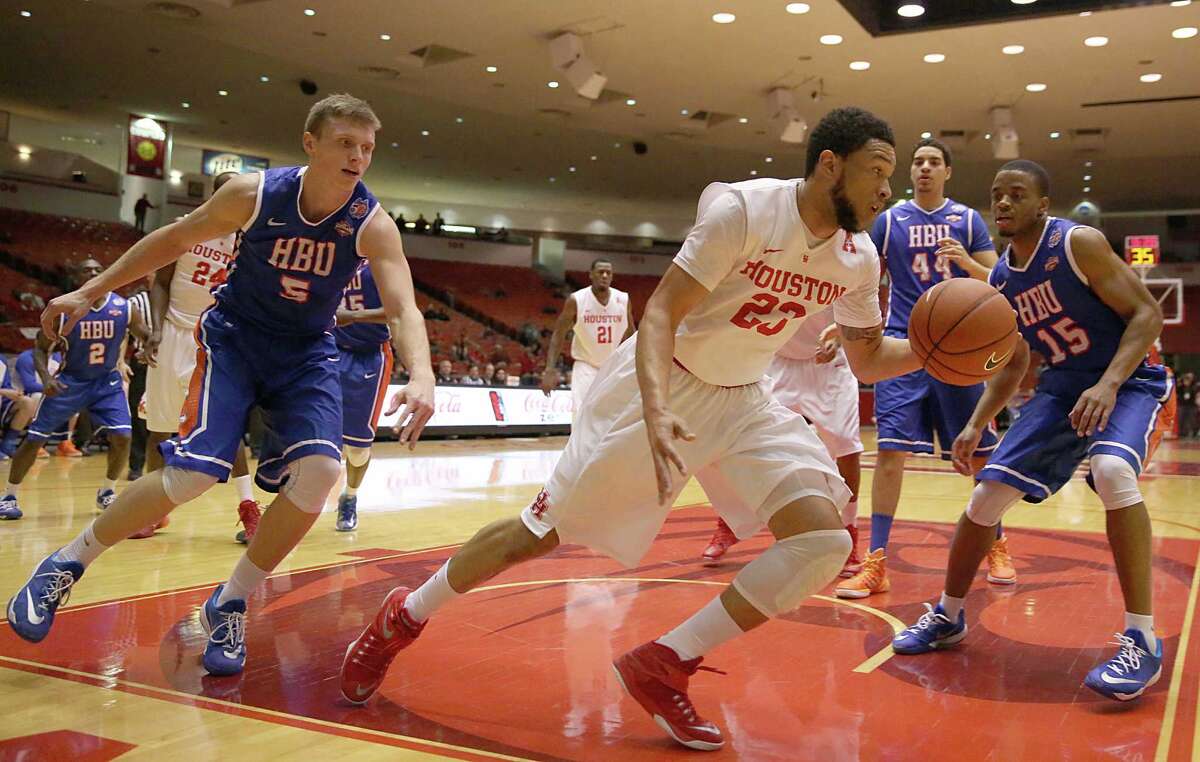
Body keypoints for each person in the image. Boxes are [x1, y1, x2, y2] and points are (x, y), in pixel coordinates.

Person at [339, 107, 917, 750]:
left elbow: (867, 358)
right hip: (662, 382)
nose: (885, 190)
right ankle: (404, 615)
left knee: (821, 540)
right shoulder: (746, 212)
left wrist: (945, 353)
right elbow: (663, 309)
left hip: (746, 399)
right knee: (538, 533)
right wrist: (655, 404)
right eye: (876, 172)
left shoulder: (858, 257)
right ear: (830, 165)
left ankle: (664, 662)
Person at [6, 93, 435, 679]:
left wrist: (424, 374)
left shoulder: (372, 223)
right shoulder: (252, 195)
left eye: (367, 148)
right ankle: (65, 563)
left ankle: (229, 600)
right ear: (310, 144)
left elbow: (404, 307)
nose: (358, 157)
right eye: (345, 143)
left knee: (323, 472)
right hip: (234, 340)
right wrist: (90, 291)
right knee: (193, 474)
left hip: (306, 354)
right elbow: (171, 241)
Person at [892, 160, 1171, 703]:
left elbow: (1146, 315)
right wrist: (977, 422)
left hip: (1131, 380)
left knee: (1113, 472)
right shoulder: (999, 279)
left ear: (1042, 204)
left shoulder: (1078, 244)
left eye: (1017, 195)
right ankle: (948, 615)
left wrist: (1109, 385)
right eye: (997, 195)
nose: (1003, 203)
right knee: (985, 497)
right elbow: (1016, 363)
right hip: (1064, 390)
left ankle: (1142, 639)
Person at [839, 137, 1008, 600]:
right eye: (918, 163)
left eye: (934, 162)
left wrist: (965, 262)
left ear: (947, 171)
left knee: (978, 454)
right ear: (909, 173)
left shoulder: (968, 220)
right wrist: (847, 328)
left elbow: (998, 280)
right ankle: (876, 562)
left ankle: (997, 543)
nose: (925, 169)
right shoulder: (890, 221)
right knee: (890, 454)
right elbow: (861, 279)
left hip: (961, 349)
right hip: (903, 345)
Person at [138, 171, 262, 542]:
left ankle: (249, 508)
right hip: (174, 332)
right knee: (158, 427)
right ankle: (153, 511)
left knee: (224, 425)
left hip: (215, 339)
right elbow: (160, 283)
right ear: (215, 196)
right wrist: (157, 329)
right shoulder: (184, 228)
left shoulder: (252, 242)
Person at [698, 311, 865, 577]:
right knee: (741, 440)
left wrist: (843, 339)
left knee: (846, 445)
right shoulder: (773, 269)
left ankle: (850, 530)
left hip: (829, 365)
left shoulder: (851, 269)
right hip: (778, 361)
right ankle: (729, 523)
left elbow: (863, 315)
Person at [0, 258, 150, 520]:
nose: (92, 272)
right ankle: (9, 496)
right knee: (35, 438)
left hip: (107, 382)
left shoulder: (124, 308)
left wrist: (148, 348)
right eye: (86, 269)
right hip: (70, 381)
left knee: (123, 437)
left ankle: (107, 492)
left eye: (97, 269)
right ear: (76, 276)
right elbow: (39, 349)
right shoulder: (62, 309)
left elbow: (144, 334)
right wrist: (46, 377)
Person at [331, 260, 394, 531]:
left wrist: (354, 316)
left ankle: (350, 497)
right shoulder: (331, 255)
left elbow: (397, 311)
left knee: (357, 448)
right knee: (308, 430)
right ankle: (293, 502)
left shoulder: (382, 264)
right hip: (328, 347)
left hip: (369, 356)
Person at [541, 258, 634, 411]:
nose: (604, 275)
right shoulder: (576, 300)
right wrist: (550, 369)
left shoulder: (623, 299)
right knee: (582, 415)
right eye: (600, 272)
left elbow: (630, 335)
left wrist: (632, 364)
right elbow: (559, 334)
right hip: (586, 365)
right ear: (591, 275)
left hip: (612, 365)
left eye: (608, 273)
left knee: (611, 415)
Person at [11, 347, 60, 459]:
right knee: (38, 398)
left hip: (46, 394)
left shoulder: (57, 357)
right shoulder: (26, 358)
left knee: (69, 400)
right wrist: (54, 390)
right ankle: (31, 441)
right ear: (38, 342)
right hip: (19, 396)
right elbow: (29, 385)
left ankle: (65, 441)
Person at [0, 356, 39, 463]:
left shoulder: (2, 360)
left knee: (27, 402)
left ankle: (8, 444)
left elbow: (5, 385)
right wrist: (4, 392)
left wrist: (15, 393)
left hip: (2, 401)